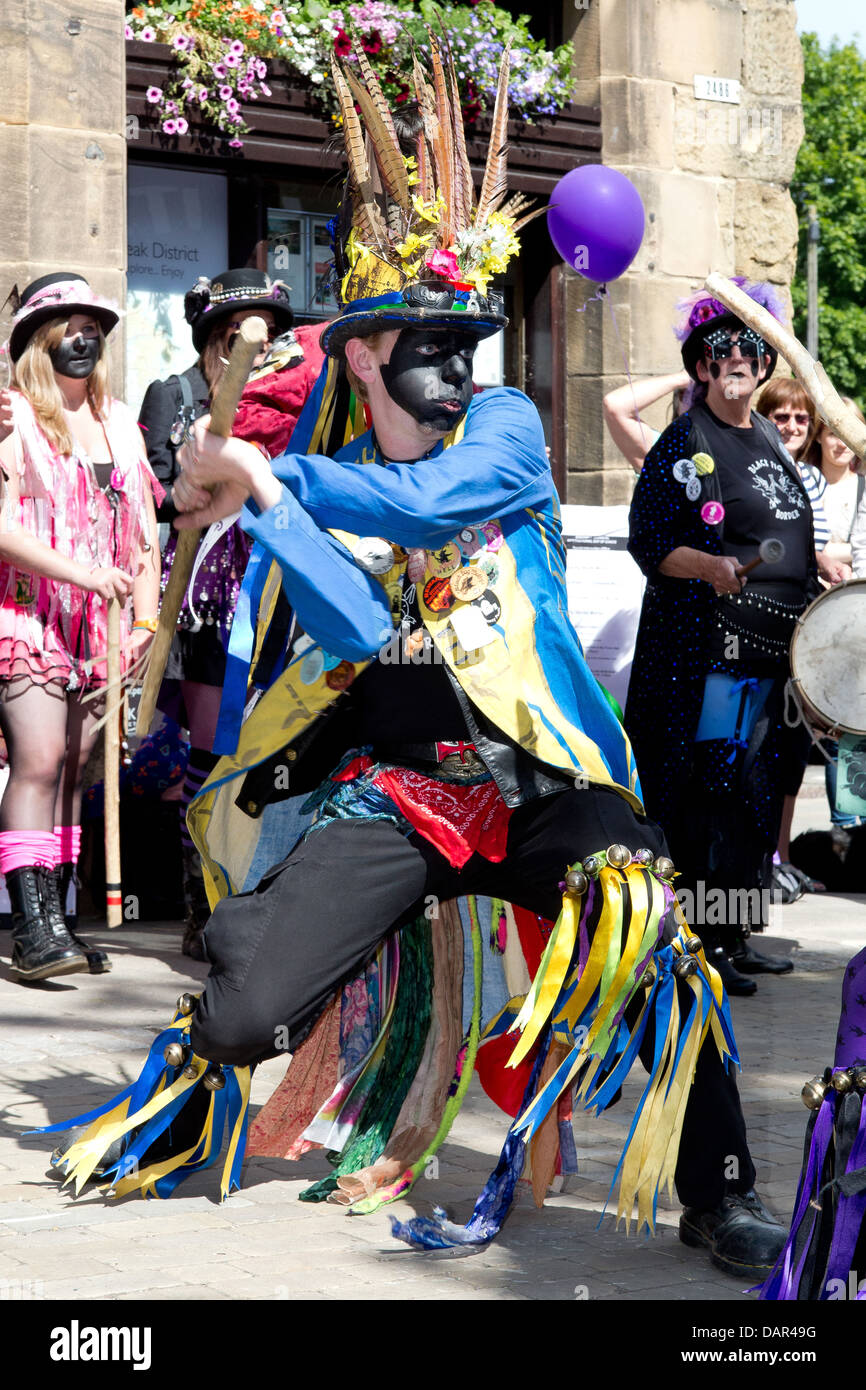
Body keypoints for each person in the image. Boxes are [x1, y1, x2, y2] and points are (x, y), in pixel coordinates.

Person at [44, 50, 786, 1280]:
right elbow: (343, 628)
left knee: (645, 915)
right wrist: (262, 504)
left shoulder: (499, 429)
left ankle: (718, 1191)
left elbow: (446, 501)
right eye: (422, 337)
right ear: (358, 356)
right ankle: (173, 1111)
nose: (452, 357)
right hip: (404, 796)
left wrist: (273, 481)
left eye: (462, 335)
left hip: (532, 782)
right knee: (239, 1002)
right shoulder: (329, 495)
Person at [626, 281, 819, 997]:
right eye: (722, 349)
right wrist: (705, 564)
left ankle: (735, 931)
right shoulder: (686, 439)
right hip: (709, 656)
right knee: (712, 792)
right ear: (700, 367)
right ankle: (701, 944)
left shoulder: (763, 433)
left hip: (770, 654)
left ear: (766, 365)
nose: (737, 358)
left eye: (751, 348)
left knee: (755, 796)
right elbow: (649, 540)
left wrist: (816, 560)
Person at [137, 269, 322, 958]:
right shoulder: (177, 394)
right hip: (210, 596)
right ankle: (201, 901)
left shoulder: (303, 396)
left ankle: (262, 896)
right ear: (220, 335)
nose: (263, 341)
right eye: (248, 332)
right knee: (215, 751)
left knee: (277, 747)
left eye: (271, 332)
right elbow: (152, 484)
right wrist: (203, 480)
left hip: (284, 581)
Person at [0, 273, 160, 981]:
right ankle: (31, 928)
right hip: (31, 613)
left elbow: (146, 538)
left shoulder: (121, 421)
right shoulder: (14, 417)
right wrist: (82, 574)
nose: (83, 333)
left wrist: (146, 623)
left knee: (72, 773)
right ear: (39, 338)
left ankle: (60, 921)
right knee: (35, 761)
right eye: (65, 322)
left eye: (93, 322)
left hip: (100, 629)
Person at [754, 378, 841, 901]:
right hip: (750, 628)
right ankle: (752, 861)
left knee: (788, 754)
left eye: (800, 419)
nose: (790, 426)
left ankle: (781, 857)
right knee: (749, 753)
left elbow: (822, 547)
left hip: (800, 629)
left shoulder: (812, 476)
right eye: (781, 416)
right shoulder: (747, 465)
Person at [602, 368, 691, 472]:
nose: (694, 400)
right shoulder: (668, 451)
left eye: (704, 393)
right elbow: (615, 405)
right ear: (677, 404)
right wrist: (683, 378)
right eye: (685, 394)